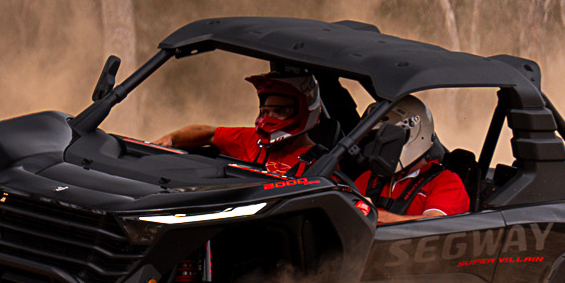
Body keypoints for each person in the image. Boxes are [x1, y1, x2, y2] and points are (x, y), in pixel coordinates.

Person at [157, 71, 326, 177]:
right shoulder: (250, 139)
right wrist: (171, 138)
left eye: (279, 111)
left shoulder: (323, 163)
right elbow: (207, 133)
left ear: (305, 111)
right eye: (266, 111)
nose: (269, 117)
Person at [353, 96, 469, 222]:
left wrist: (373, 215)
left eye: (387, 141)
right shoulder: (368, 178)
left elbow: (434, 226)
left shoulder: (446, 182)